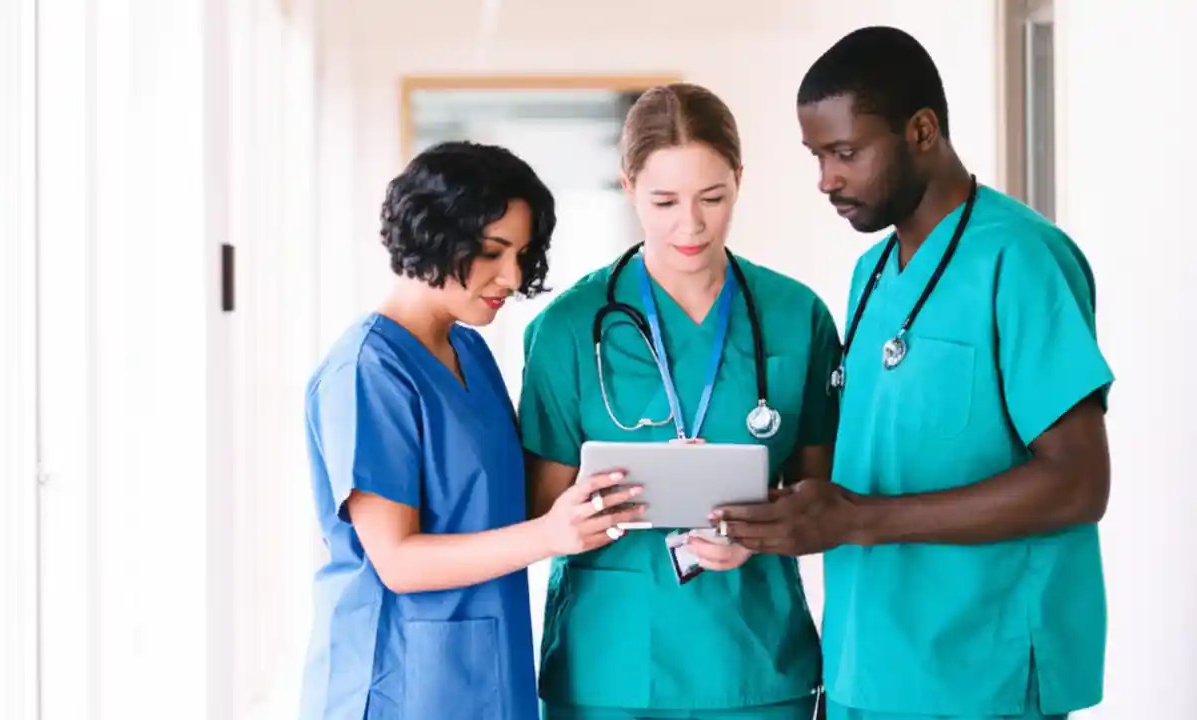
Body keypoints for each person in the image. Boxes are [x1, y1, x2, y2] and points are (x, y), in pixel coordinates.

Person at [713, 26, 1114, 720]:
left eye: (845, 152)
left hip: (978, 671)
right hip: (865, 667)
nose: (826, 180)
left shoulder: (1020, 259)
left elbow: (1078, 483)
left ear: (922, 130)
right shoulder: (870, 277)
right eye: (816, 157)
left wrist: (860, 520)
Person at [519, 83, 840, 720]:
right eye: (663, 200)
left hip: (753, 662)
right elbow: (539, 511)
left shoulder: (795, 316)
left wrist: (758, 535)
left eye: (712, 197)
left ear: (740, 180)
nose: (689, 225)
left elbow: (822, 500)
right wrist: (595, 510)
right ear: (629, 184)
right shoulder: (568, 329)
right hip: (610, 664)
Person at [299, 141, 646, 720]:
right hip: (398, 680)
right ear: (432, 236)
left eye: (523, 253)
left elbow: (499, 508)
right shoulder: (368, 371)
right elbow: (398, 561)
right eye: (492, 252)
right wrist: (551, 536)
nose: (512, 276)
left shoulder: (470, 351)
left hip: (487, 664)